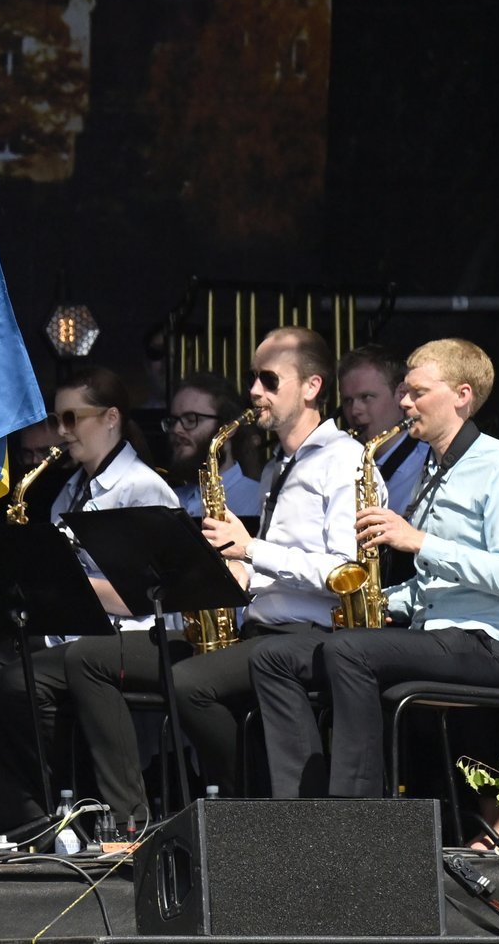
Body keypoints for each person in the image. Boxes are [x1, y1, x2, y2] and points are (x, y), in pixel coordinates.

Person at [252, 338, 499, 799]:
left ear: (462, 395)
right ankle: (297, 812)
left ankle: (358, 813)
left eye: (416, 392)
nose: (405, 402)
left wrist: (419, 542)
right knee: (274, 657)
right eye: (404, 393)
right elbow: (433, 585)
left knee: (349, 651)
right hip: (436, 633)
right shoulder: (435, 467)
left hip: (488, 642)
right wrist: (374, 601)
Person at [0, 366, 179, 832]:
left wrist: (65, 588)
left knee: (16, 684)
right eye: (58, 420)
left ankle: (70, 802)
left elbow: (144, 595)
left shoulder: (142, 488)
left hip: (125, 638)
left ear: (112, 418)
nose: (61, 432)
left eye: (71, 419)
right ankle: (18, 816)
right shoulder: (69, 491)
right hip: (68, 634)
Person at [163, 326, 367, 797]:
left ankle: (249, 803)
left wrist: (251, 549)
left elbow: (344, 571)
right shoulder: (279, 466)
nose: (255, 391)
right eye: (254, 378)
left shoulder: (345, 460)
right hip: (263, 628)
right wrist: (238, 573)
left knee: (190, 684)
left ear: (312, 387)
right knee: (163, 663)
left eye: (270, 380)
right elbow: (279, 562)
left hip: (309, 635)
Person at [338, 343, 427, 519]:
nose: (355, 411)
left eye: (366, 397)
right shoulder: (342, 460)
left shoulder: (426, 464)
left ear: (401, 395)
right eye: (348, 401)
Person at [162, 371, 262, 518]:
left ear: (228, 428)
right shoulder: (166, 500)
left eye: (191, 419)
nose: (177, 429)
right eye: (173, 421)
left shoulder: (259, 501)